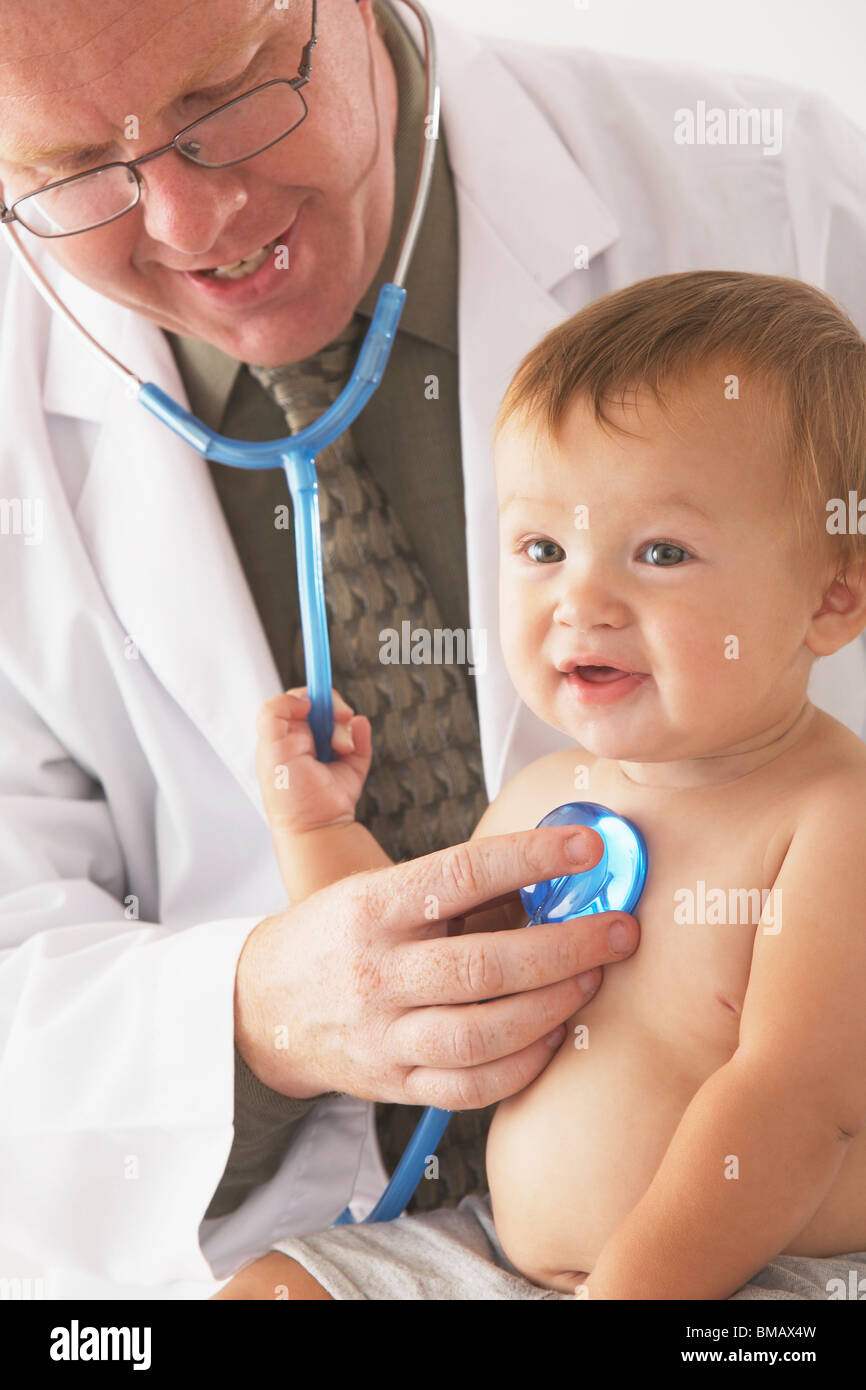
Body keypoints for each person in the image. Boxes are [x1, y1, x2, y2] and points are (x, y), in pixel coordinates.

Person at [0, 0, 864, 1299]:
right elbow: (418, 943)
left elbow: (793, 1096)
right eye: (70, 173)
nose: (192, 219)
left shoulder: (789, 192)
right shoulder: (545, 801)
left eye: (227, 101)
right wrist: (275, 963)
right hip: (427, 1241)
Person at [218, 270, 866, 1300]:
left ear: (831, 597)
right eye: (541, 548)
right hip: (490, 1251)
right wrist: (312, 825)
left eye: (658, 551)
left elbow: (794, 1105)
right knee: (266, 1291)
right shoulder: (546, 799)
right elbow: (422, 979)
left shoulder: (828, 818)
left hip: (763, 1272)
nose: (580, 600)